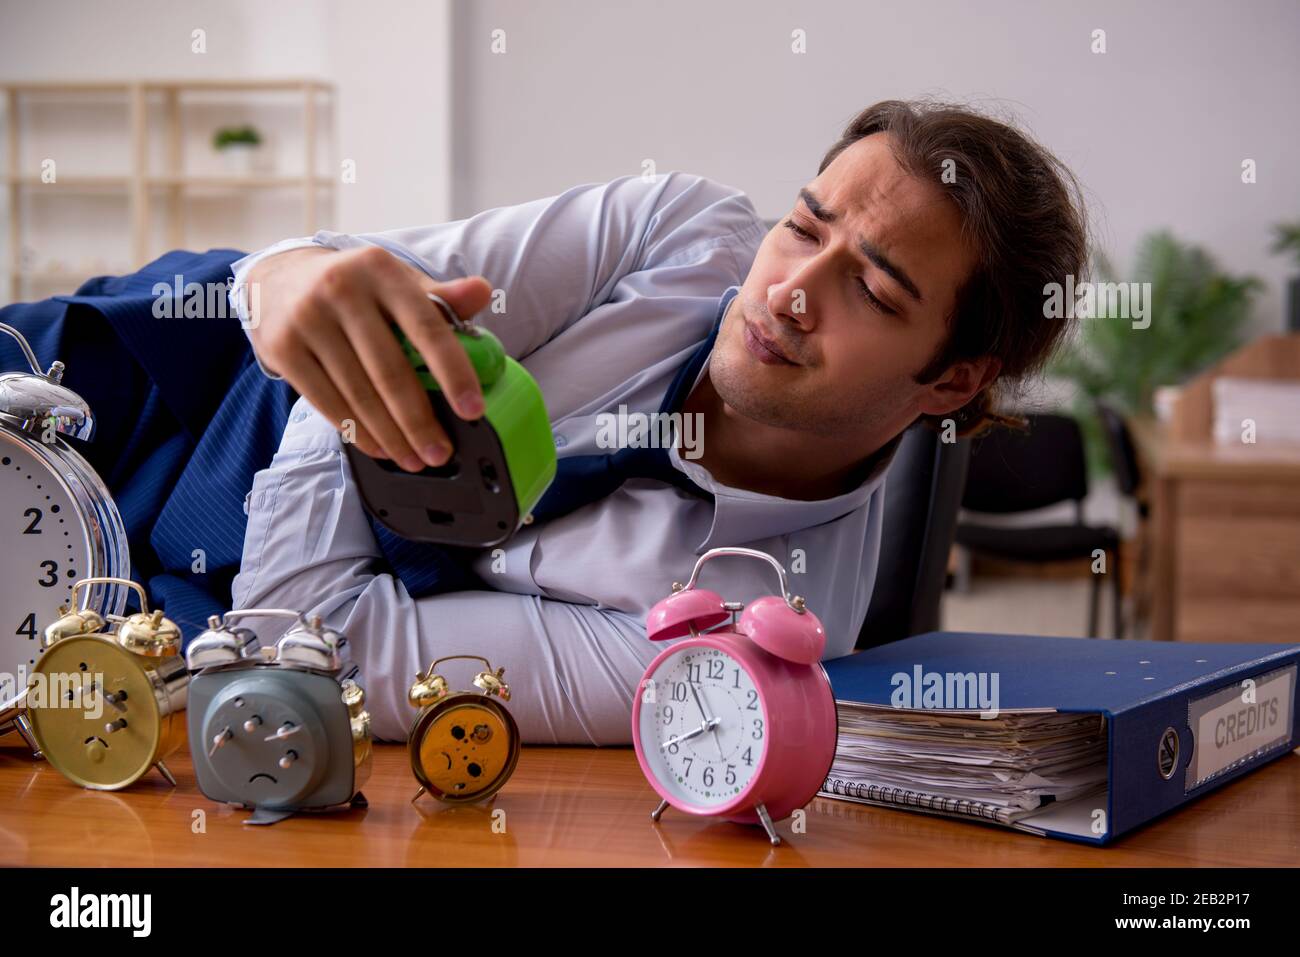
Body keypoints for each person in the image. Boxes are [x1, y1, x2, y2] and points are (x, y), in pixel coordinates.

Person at [226, 99, 1088, 745]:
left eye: (870, 289)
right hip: (210, 375)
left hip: (214, 632)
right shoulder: (678, 231)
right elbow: (324, 281)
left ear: (952, 381)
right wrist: (298, 293)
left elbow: (305, 655)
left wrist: (350, 370)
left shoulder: (744, 640)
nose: (789, 292)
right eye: (801, 228)